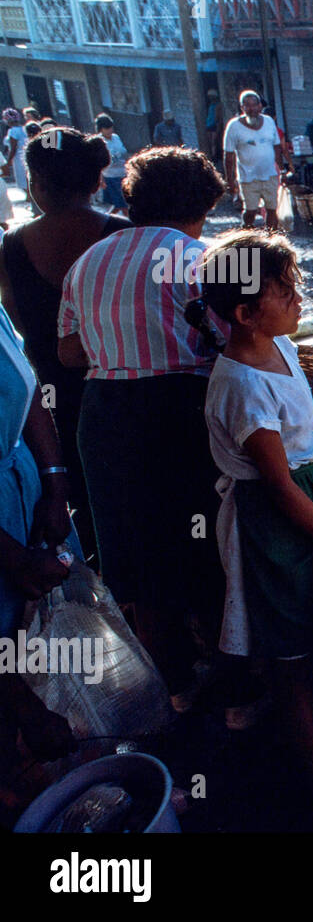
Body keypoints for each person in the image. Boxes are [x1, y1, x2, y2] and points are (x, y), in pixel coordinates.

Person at [184, 230, 313, 828]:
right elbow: (279, 486)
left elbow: (311, 437)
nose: (298, 297)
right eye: (283, 290)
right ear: (243, 313)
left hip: (311, 501)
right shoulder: (240, 384)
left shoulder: (280, 347)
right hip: (276, 526)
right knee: (291, 657)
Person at [58, 146, 228, 708]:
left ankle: (173, 685)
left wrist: (120, 346)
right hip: (178, 412)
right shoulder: (197, 257)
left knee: (134, 550)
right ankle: (231, 681)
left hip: (105, 415)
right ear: (199, 204)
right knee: (203, 543)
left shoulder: (88, 261)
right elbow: (233, 338)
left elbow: (67, 352)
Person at [0, 128, 132, 560]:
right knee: (130, 512)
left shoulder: (11, 248)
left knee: (74, 510)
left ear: (35, 184)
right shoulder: (126, 235)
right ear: (97, 182)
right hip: (122, 394)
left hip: (47, 406)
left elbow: (15, 323)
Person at [0, 298, 77, 773]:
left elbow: (26, 391)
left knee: (32, 636)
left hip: (22, 485)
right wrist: (13, 557)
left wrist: (53, 481)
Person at [223, 91, 287, 231]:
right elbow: (228, 156)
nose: (252, 109)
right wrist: (230, 180)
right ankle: (246, 237)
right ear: (242, 108)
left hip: (270, 175)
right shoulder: (234, 126)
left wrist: (282, 170)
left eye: (254, 105)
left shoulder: (269, 121)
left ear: (260, 106)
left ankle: (272, 241)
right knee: (250, 211)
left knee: (272, 210)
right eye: (247, 106)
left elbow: (277, 147)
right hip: (248, 178)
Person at [95, 115, 129, 216]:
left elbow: (124, 152)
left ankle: (108, 219)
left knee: (119, 205)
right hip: (110, 177)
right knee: (121, 204)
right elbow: (98, 163)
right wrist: (101, 180)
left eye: (111, 127)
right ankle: (129, 223)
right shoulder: (99, 142)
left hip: (122, 174)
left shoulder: (116, 137)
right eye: (107, 128)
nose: (110, 130)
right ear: (101, 129)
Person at [2, 110, 26, 204]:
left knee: (22, 180)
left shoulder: (12, 131)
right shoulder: (23, 128)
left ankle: (30, 200)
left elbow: (13, 147)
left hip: (17, 158)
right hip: (23, 154)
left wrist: (9, 161)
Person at [205, 89, 223, 162]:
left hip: (214, 125)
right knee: (211, 142)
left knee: (214, 142)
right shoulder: (211, 105)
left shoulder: (218, 105)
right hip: (209, 124)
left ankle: (214, 157)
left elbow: (218, 117)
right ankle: (213, 156)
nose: (210, 98)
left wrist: (218, 125)